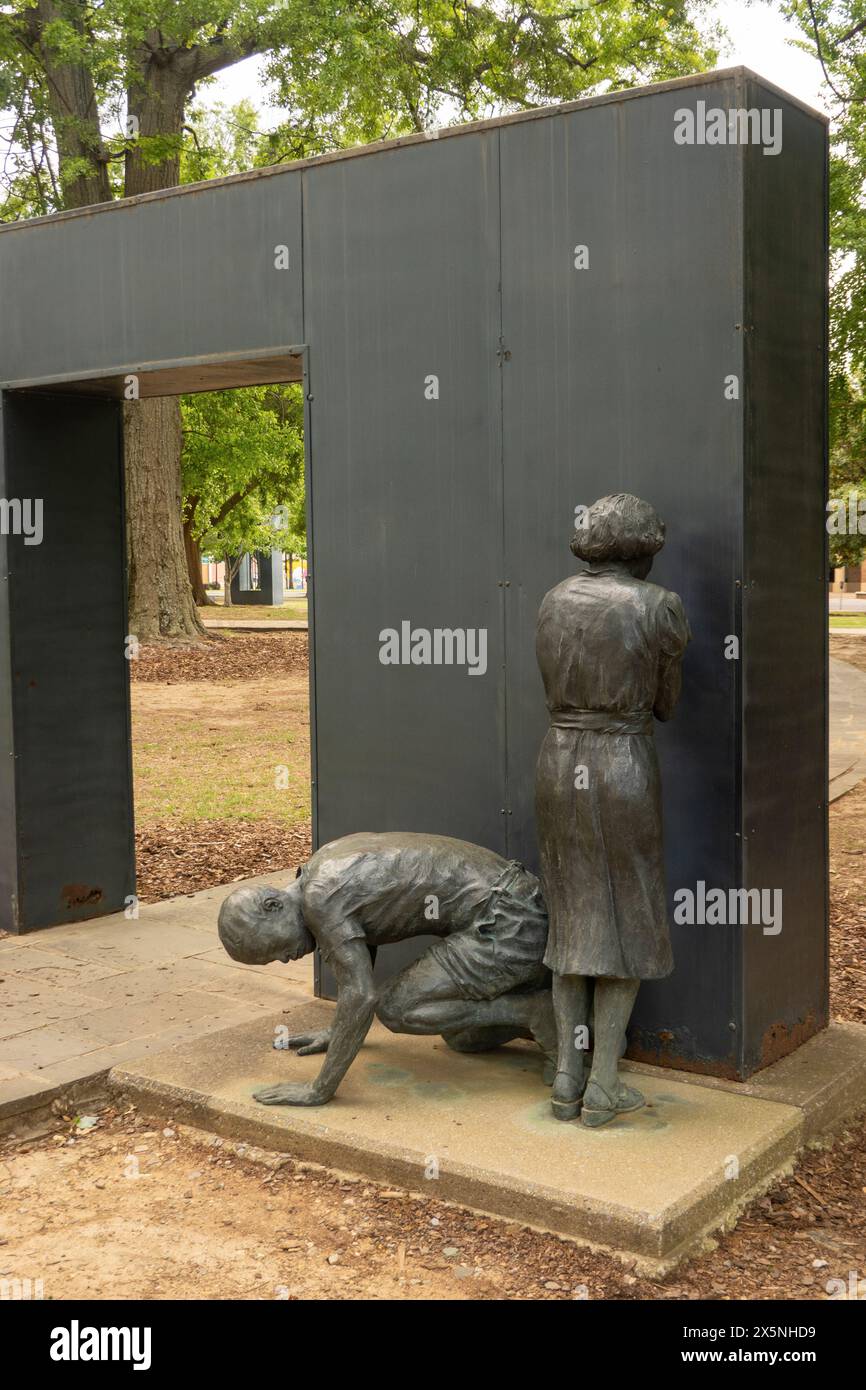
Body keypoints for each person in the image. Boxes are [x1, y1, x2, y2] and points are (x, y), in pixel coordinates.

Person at [535, 493, 690, 1127]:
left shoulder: (551, 600)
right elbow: (666, 707)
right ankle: (603, 1080)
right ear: (644, 549)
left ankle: (567, 1075)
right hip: (622, 761)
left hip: (557, 757)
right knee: (629, 913)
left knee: (571, 914)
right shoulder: (660, 608)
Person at [218, 831, 554, 1106]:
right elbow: (365, 946)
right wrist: (338, 1032)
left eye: (273, 948)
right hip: (518, 905)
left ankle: (536, 1011)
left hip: (508, 924)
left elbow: (361, 995)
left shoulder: (320, 899)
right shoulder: (322, 866)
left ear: (274, 905)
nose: (284, 958)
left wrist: (318, 1089)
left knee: (397, 1009)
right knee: (462, 1038)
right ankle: (546, 1017)